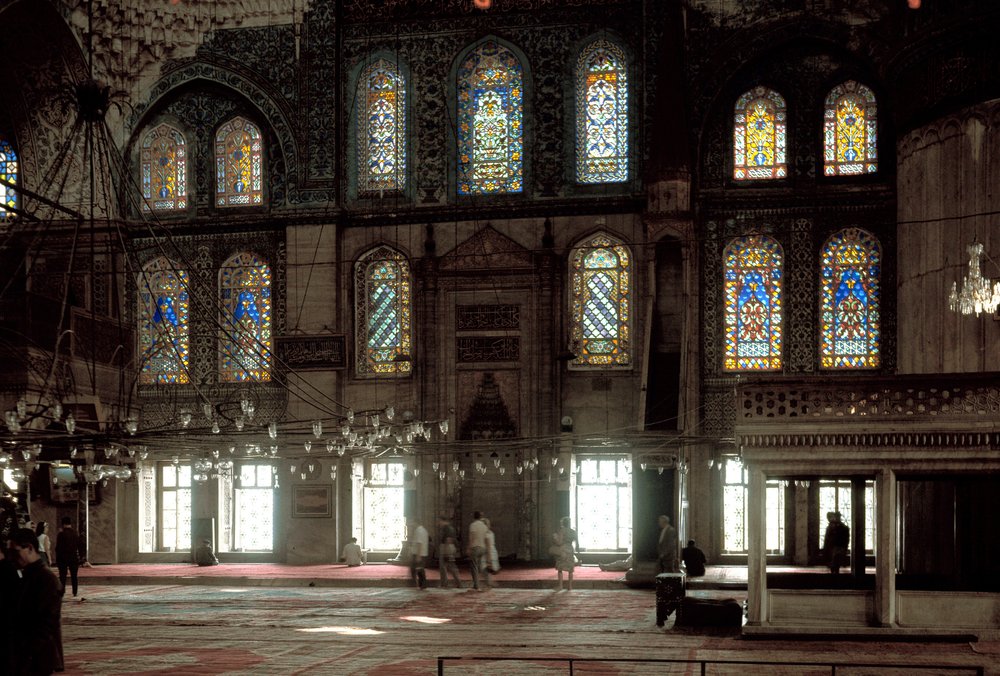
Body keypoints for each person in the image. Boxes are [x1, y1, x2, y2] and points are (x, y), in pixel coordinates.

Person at [9, 527, 63, 675]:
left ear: (30, 548)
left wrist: (28, 649)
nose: (13, 557)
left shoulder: (46, 579)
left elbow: (48, 622)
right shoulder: (27, 575)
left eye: (16, 551)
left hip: (36, 656)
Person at [55, 516, 82, 597]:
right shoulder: (75, 533)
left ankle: (62, 592)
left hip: (63, 558)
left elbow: (58, 548)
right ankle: (75, 592)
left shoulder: (61, 534)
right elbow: (80, 545)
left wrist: (57, 559)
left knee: (62, 576)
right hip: (73, 557)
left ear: (63, 524)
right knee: (74, 576)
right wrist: (80, 557)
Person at [552, 516, 577, 591]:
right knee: (570, 569)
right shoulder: (573, 532)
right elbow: (577, 544)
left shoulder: (562, 531)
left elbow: (559, 542)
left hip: (563, 549)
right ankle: (570, 586)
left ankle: (560, 586)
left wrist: (555, 537)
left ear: (563, 523)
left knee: (560, 569)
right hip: (570, 549)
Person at [436, 516, 461, 588]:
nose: (438, 523)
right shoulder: (451, 528)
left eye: (439, 521)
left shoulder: (446, 528)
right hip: (449, 548)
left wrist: (446, 549)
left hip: (446, 548)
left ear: (443, 520)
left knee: (444, 567)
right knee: (451, 566)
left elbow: (448, 539)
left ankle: (444, 583)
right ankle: (457, 582)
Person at [466, 511, 488, 591]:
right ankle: (486, 582)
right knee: (480, 566)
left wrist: (468, 548)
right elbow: (485, 538)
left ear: (474, 517)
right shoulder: (484, 526)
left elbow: (471, 537)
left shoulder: (473, 525)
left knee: (474, 567)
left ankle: (476, 585)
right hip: (483, 547)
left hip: (475, 547)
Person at [407, 518, 429, 589]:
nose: (411, 525)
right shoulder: (424, 530)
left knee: (417, 569)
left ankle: (419, 584)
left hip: (419, 553)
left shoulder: (419, 531)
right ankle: (421, 584)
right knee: (419, 569)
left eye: (411, 523)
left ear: (415, 522)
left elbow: (419, 543)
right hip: (422, 553)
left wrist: (418, 555)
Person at [482, 517, 500, 589]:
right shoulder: (491, 533)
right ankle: (489, 583)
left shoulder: (486, 534)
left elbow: (488, 545)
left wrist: (489, 557)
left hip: (488, 552)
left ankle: (489, 583)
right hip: (492, 551)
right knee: (487, 569)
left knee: (485, 568)